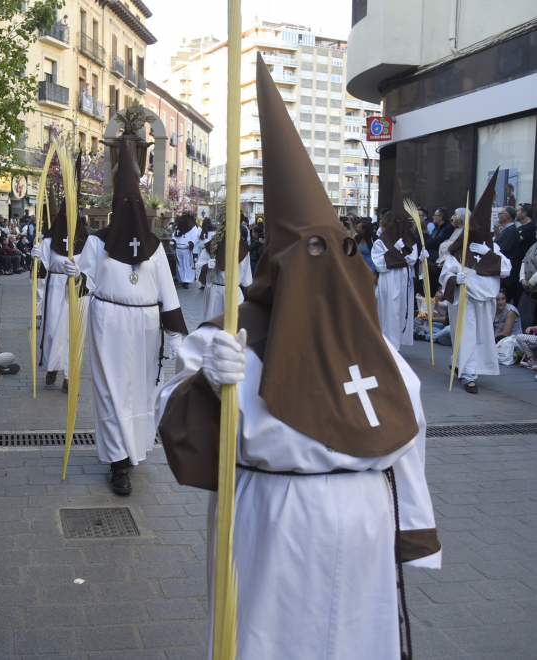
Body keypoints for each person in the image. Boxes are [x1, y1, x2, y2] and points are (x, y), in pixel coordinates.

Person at [156, 56, 440, 660]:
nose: (327, 264)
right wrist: (204, 382)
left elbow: (409, 435)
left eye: (337, 249)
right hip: (272, 524)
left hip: (365, 522)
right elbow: (168, 410)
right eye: (311, 250)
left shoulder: (378, 349)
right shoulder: (228, 337)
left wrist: (413, 529)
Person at [49, 108, 188, 495]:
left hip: (144, 326)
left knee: (139, 389)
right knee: (111, 391)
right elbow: (79, 278)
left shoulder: (154, 248)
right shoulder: (97, 242)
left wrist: (176, 333)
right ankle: (116, 463)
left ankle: (134, 448)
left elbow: (168, 292)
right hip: (107, 322)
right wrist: (69, 270)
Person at [439, 170, 513, 393]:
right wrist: (455, 278)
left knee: (481, 336)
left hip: (487, 299)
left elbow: (507, 269)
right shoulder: (457, 251)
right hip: (466, 298)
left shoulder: (492, 248)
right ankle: (468, 374)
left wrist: (489, 254)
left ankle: (461, 362)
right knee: (467, 334)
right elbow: (445, 275)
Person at [32, 174, 90, 392]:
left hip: (75, 292)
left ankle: (69, 374)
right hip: (55, 289)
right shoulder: (49, 240)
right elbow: (42, 268)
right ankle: (52, 366)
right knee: (51, 331)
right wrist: (36, 256)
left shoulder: (86, 240)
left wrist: (79, 272)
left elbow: (92, 269)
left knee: (71, 333)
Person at [372, 188, 419, 351]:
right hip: (389, 279)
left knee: (401, 309)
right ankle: (388, 345)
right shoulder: (381, 242)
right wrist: (394, 252)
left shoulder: (409, 241)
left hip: (403, 278)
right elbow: (380, 264)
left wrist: (405, 251)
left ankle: (396, 344)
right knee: (389, 311)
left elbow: (411, 259)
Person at [200, 215, 253, 324]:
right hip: (216, 291)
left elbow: (246, 280)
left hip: (231, 292)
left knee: (233, 326)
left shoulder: (242, 249)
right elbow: (246, 280)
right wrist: (207, 267)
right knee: (215, 326)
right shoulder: (212, 245)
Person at [424, 207, 455, 295]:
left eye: (435, 215)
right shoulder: (435, 228)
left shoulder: (448, 228)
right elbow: (429, 240)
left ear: (440, 217)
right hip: (430, 260)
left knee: (435, 289)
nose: (433, 217)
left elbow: (438, 242)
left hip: (438, 262)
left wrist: (430, 243)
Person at [494, 205, 522, 303]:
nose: (498, 216)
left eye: (500, 214)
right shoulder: (505, 230)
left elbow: (502, 249)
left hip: (507, 274)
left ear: (506, 216)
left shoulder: (512, 231)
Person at [171, 213, 200, 288]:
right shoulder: (178, 227)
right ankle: (182, 279)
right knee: (180, 265)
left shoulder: (192, 228)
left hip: (186, 250)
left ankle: (186, 281)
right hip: (179, 249)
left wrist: (191, 242)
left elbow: (195, 237)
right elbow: (174, 235)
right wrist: (173, 240)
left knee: (187, 265)